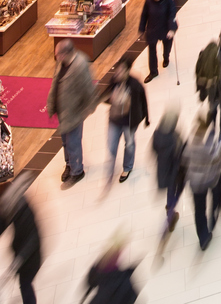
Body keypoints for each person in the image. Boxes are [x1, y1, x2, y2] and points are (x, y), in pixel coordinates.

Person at [46, 39, 95, 186]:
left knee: (73, 142)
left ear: (66, 53)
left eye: (58, 55)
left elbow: (88, 89)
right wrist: (52, 105)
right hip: (63, 110)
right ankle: (69, 164)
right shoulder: (62, 62)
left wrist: (87, 108)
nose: (56, 58)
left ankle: (77, 171)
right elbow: (56, 82)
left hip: (74, 112)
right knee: (65, 142)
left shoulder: (80, 65)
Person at [102, 54, 149, 185]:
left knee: (129, 144)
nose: (119, 72)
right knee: (111, 145)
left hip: (129, 122)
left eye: (122, 70)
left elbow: (143, 102)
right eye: (118, 69)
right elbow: (105, 95)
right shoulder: (114, 80)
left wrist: (146, 118)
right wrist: (110, 100)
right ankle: (111, 167)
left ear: (128, 70)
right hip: (114, 120)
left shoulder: (135, 85)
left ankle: (127, 168)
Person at [182, 114, 221, 250]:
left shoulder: (191, 142)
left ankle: (203, 237)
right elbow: (217, 159)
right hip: (210, 179)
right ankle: (214, 215)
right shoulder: (210, 143)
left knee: (199, 209)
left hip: (195, 183)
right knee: (216, 196)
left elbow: (184, 159)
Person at [0, 178, 41, 304]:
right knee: (24, 283)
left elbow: (33, 239)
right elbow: (2, 223)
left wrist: (19, 260)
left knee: (25, 283)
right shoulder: (13, 207)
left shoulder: (24, 212)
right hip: (22, 254)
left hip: (30, 257)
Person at [152, 108, 185, 237]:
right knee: (179, 189)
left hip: (162, 170)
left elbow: (154, 149)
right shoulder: (174, 138)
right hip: (175, 172)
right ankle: (171, 212)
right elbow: (181, 154)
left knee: (170, 191)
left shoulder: (157, 134)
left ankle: (170, 210)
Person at [138, 0, 178, 82]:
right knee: (151, 51)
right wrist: (141, 29)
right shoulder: (149, 0)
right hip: (152, 30)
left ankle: (166, 57)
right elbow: (144, 15)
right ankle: (153, 72)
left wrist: (171, 29)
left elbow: (172, 14)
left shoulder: (169, 0)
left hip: (166, 29)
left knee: (167, 45)